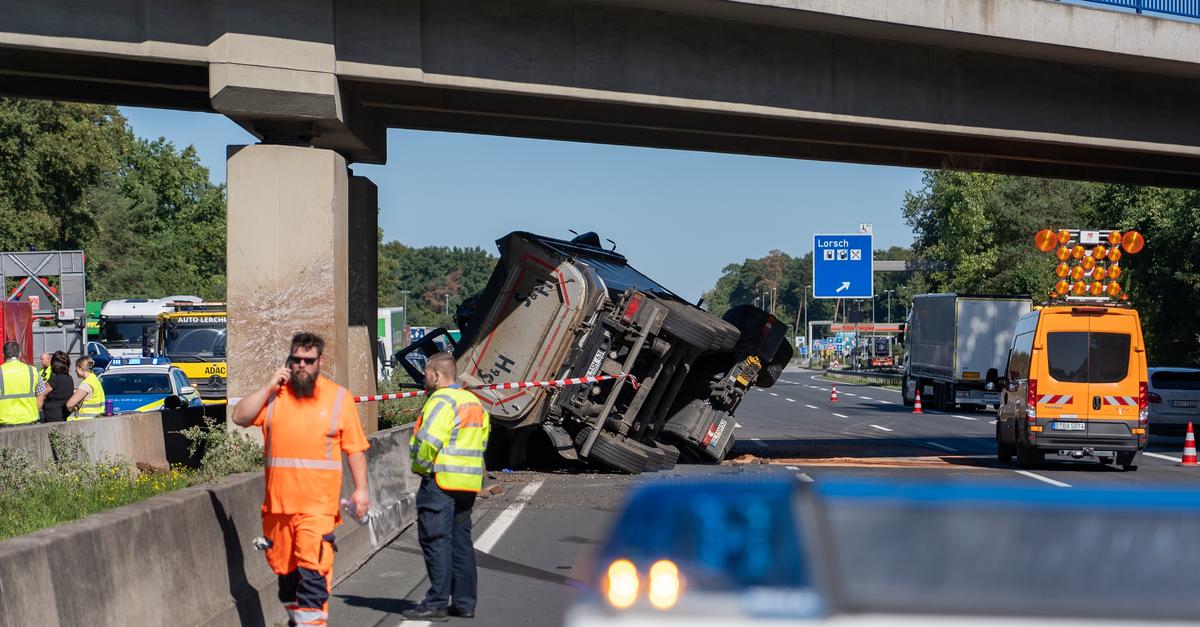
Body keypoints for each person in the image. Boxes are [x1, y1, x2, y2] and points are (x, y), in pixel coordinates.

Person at [231, 332, 370, 627]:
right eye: (296, 360)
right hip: (278, 511)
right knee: (288, 582)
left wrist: (361, 490)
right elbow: (240, 417)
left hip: (318, 509)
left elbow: (355, 449)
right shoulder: (275, 396)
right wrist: (268, 386)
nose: (302, 365)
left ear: (320, 361)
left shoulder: (338, 398)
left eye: (308, 360)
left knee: (312, 577)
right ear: (289, 361)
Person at [402, 352, 490, 621]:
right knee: (461, 542)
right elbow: (483, 440)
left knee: (435, 540)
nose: (424, 378)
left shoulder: (441, 401)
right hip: (467, 484)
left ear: (437, 376)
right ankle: (464, 603)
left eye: (426, 374)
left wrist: (419, 467)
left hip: (440, 482)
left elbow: (428, 441)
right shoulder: (473, 402)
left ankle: (437, 602)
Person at [0, 341, 47, 426]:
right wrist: (35, 411)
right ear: (20, 354)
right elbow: (41, 394)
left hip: (4, 422)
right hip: (29, 420)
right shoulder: (32, 370)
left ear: (3, 355)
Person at [66, 356, 106, 420]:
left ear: (80, 368)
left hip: (83, 422)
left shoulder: (87, 383)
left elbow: (69, 405)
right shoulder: (94, 380)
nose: (75, 371)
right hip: (94, 419)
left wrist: (74, 409)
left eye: (76, 368)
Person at [42, 351, 74, 423]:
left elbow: (42, 393)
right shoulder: (69, 378)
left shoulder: (54, 379)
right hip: (65, 415)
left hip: (52, 417)